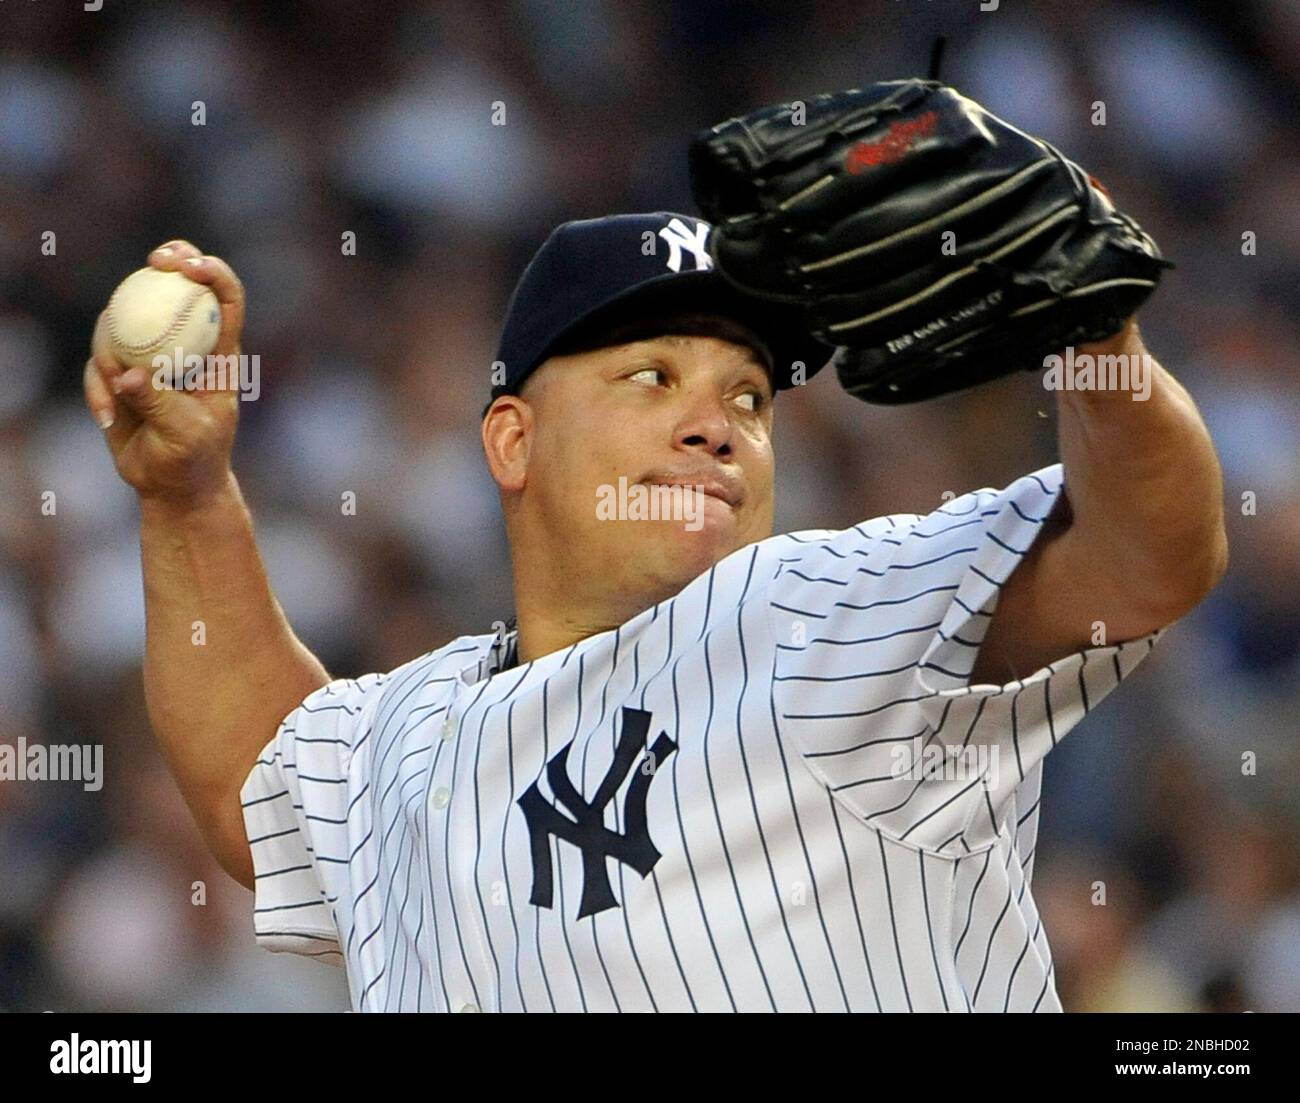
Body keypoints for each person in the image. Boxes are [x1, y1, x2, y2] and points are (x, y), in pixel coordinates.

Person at [85, 209, 1226, 1011]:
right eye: (651, 376)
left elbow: (1144, 554)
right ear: (512, 439)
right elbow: (260, 787)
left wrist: (1094, 331)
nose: (715, 422)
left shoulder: (821, 610)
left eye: (747, 395)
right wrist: (185, 496)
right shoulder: (410, 727)